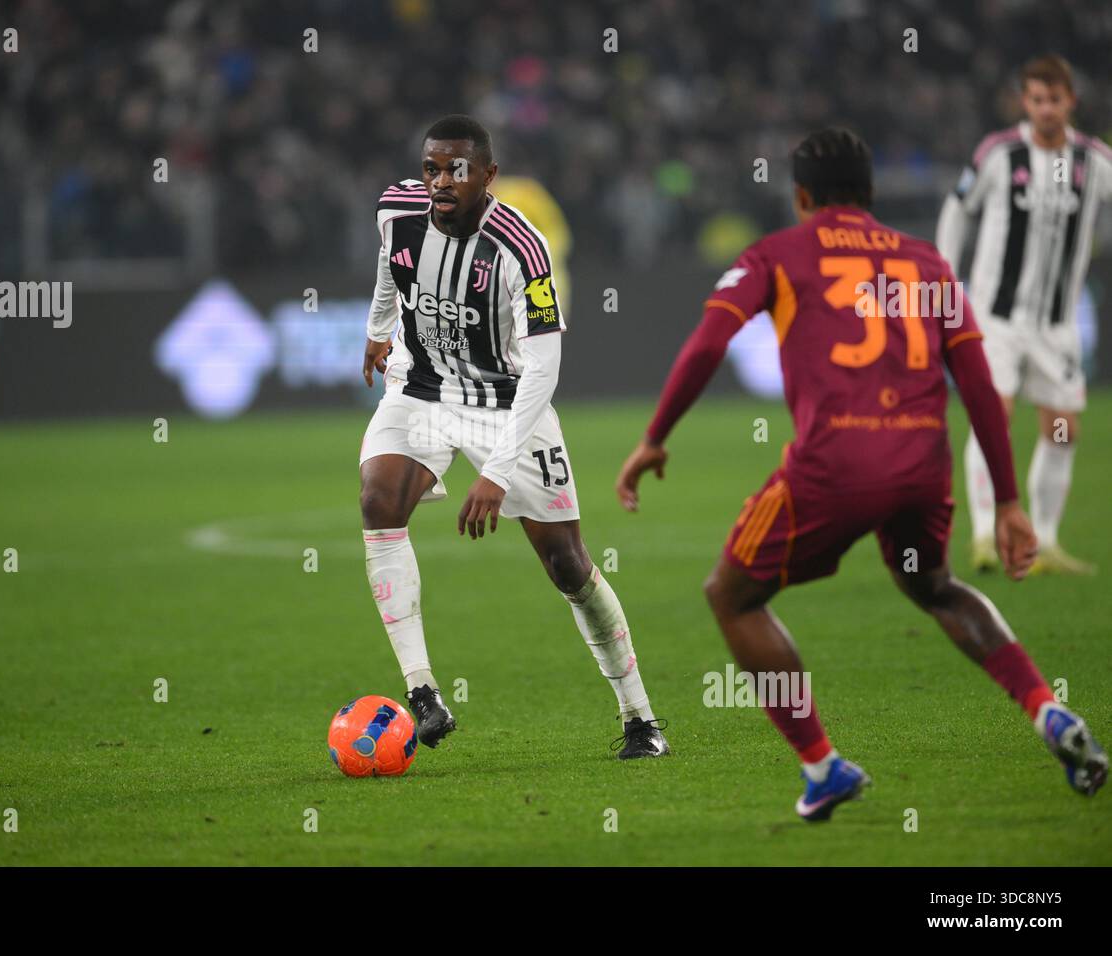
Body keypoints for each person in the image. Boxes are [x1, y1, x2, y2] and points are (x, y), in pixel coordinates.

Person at [617, 128, 1107, 820]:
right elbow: (975, 380)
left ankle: (822, 766)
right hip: (920, 463)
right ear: (872, 194)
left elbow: (709, 340)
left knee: (732, 596)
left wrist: (654, 438)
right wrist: (1008, 502)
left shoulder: (777, 254)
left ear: (801, 195)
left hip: (834, 465)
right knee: (936, 586)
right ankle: (1046, 708)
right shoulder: (928, 262)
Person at [359, 114, 669, 758]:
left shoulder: (522, 250)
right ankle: (423, 693)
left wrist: (497, 472)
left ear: (488, 176)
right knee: (377, 500)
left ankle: (641, 719)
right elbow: (391, 268)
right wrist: (378, 327)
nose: (441, 181)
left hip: (507, 403)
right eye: (432, 168)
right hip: (422, 388)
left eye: (457, 169)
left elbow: (545, 369)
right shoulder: (397, 212)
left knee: (568, 566)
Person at [936, 54, 1112, 574]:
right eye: (1036, 100)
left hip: (1056, 326)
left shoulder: (1095, 163)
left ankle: (1046, 540)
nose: (1045, 110)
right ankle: (987, 535)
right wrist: (946, 276)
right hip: (997, 321)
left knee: (1062, 429)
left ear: (1070, 102)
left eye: (1054, 100)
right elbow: (957, 209)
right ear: (1025, 102)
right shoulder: (999, 154)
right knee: (997, 417)